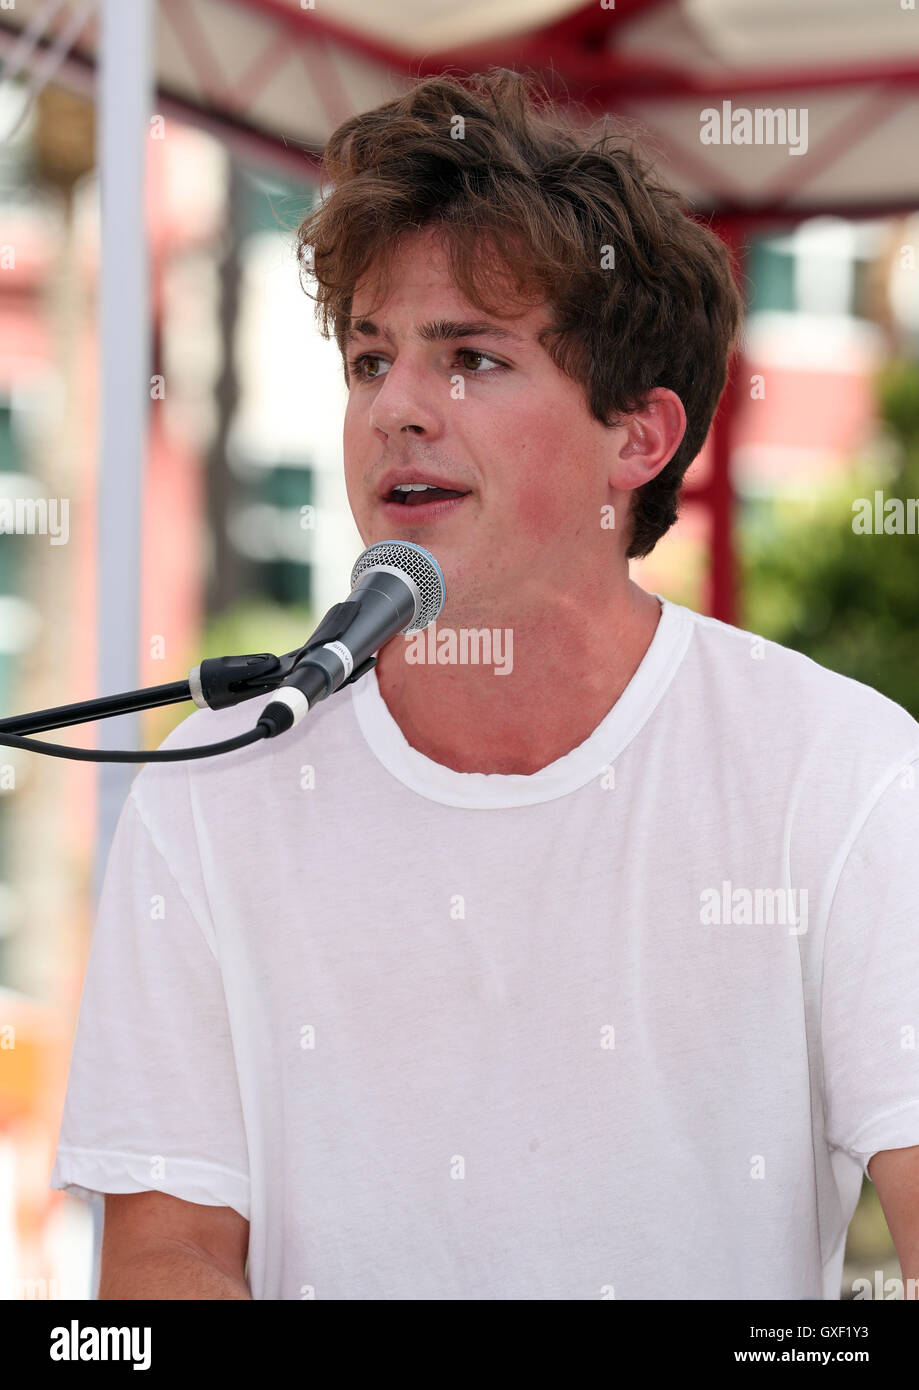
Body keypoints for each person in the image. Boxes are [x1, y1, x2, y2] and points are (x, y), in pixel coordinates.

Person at [50, 68, 919, 1301]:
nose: (396, 407)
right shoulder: (219, 771)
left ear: (638, 436)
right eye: (367, 359)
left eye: (469, 357)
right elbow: (166, 1256)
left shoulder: (844, 777)